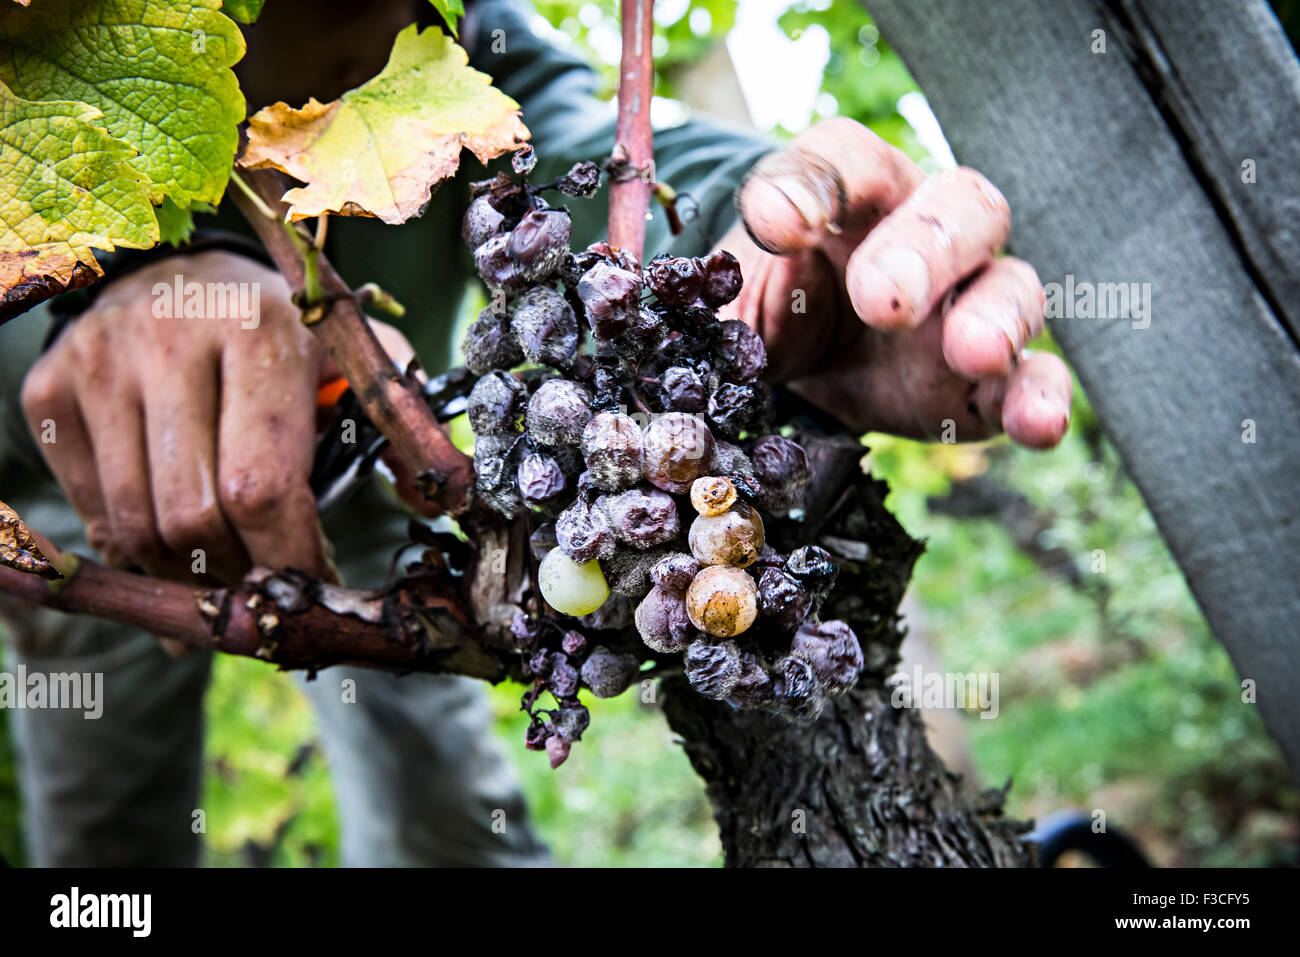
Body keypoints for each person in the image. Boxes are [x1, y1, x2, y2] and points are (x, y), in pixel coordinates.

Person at [0, 0, 1071, 866]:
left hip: (381, 485)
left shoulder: (463, 44)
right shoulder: (48, 55)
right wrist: (113, 285)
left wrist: (759, 265)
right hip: (71, 486)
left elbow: (575, 141)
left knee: (447, 822)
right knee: (103, 849)